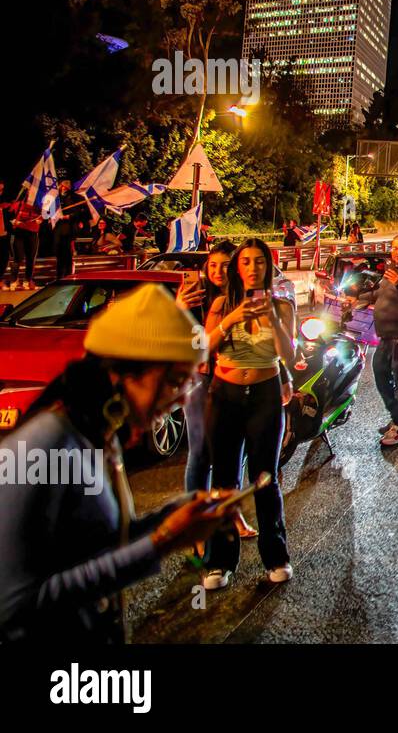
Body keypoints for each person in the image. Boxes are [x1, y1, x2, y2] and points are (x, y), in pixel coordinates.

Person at [0, 283, 237, 642]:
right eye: (175, 381)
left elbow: (100, 547)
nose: (180, 399)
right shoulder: (44, 443)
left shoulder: (100, 435)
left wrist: (176, 515)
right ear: (121, 372)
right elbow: (12, 607)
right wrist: (163, 540)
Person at [202, 238, 297, 589]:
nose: (253, 268)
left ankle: (276, 557)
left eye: (259, 262)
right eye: (246, 262)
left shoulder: (283, 306)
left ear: (268, 267)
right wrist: (230, 320)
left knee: (264, 477)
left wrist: (272, 318)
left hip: (265, 395)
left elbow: (288, 355)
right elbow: (201, 349)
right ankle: (219, 563)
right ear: (236, 267)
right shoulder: (222, 304)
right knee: (224, 480)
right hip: (224, 395)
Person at [174, 242, 255, 541]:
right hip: (201, 380)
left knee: (236, 450)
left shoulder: (242, 296)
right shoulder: (194, 297)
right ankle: (194, 519)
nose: (218, 271)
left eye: (225, 265)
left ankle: (231, 513)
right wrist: (179, 310)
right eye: (213, 265)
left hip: (236, 378)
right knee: (200, 451)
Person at [349, 234, 398, 448]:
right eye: (395, 248)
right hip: (386, 335)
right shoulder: (392, 271)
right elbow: (381, 294)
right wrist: (360, 299)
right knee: (380, 373)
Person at [5, 196, 40, 290]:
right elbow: (9, 216)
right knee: (17, 258)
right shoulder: (19, 204)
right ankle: (13, 280)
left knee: (31, 259)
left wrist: (41, 220)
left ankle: (27, 281)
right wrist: (13, 221)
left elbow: (46, 216)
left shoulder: (39, 205)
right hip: (19, 233)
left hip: (32, 233)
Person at [52, 179, 83, 279]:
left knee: (67, 253)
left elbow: (77, 212)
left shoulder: (73, 197)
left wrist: (68, 216)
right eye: (65, 183)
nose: (67, 185)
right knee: (58, 252)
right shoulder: (56, 197)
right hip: (57, 228)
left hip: (68, 228)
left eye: (68, 183)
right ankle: (59, 275)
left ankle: (67, 274)